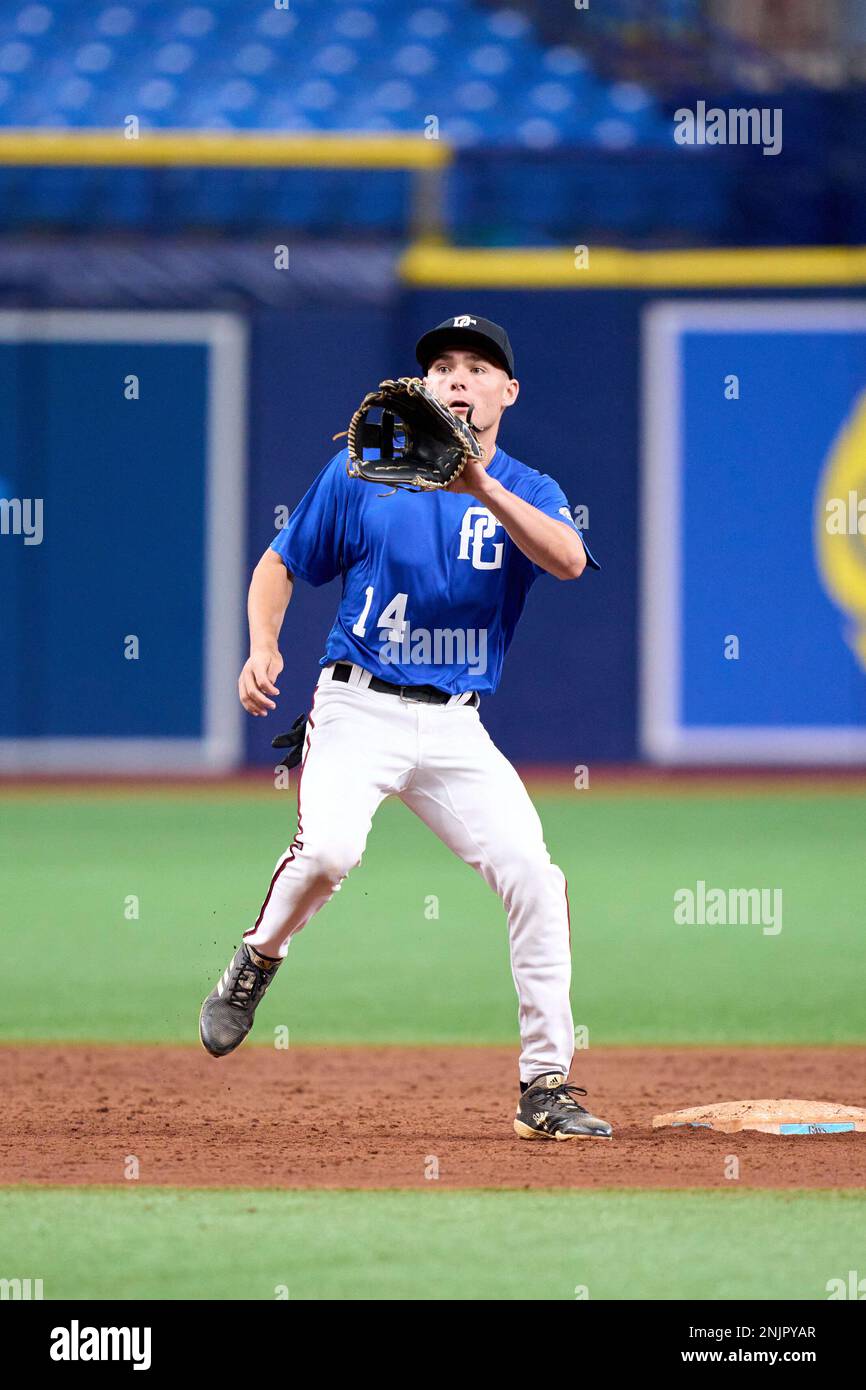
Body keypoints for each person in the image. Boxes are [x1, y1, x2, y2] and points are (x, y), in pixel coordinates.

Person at [199, 314, 612, 1141]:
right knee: (327, 853)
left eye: (477, 366)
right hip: (357, 705)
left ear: (508, 391)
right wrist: (263, 645)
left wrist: (481, 488)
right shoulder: (363, 473)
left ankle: (545, 1085)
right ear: (424, 389)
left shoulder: (528, 489)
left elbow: (567, 560)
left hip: (457, 729)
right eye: (443, 366)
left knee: (535, 875)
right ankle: (257, 958)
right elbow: (281, 562)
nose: (458, 378)